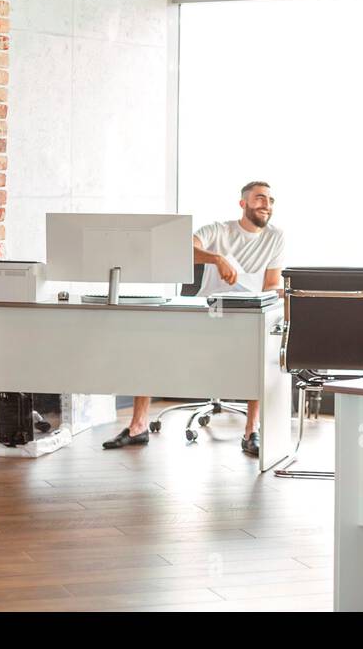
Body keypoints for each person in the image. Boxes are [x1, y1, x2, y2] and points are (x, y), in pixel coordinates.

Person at [103, 181, 285, 458]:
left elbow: (271, 283)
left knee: (261, 350)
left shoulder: (275, 237)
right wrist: (216, 258)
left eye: (271, 201)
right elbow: (181, 248)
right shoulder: (218, 231)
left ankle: (251, 431)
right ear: (243, 203)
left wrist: (281, 294)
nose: (267, 206)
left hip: (248, 313)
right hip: (208, 311)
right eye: (260, 199)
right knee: (149, 346)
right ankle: (138, 426)